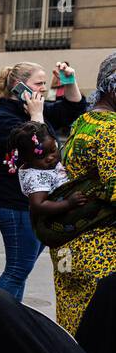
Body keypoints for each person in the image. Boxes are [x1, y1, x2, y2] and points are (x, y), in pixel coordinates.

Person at [0, 61, 86, 302]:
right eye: (39, 83)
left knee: (21, 272)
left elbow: (74, 109)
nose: (43, 89)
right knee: (16, 271)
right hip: (15, 206)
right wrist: (36, 115)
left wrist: (70, 81)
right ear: (19, 86)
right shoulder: (2, 119)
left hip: (38, 206)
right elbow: (40, 151)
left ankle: (9, 323)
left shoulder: (35, 109)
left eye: (45, 83)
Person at [53, 51, 116, 334]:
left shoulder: (85, 121)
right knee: (98, 327)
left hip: (70, 238)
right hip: (100, 247)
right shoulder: (111, 129)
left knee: (71, 320)